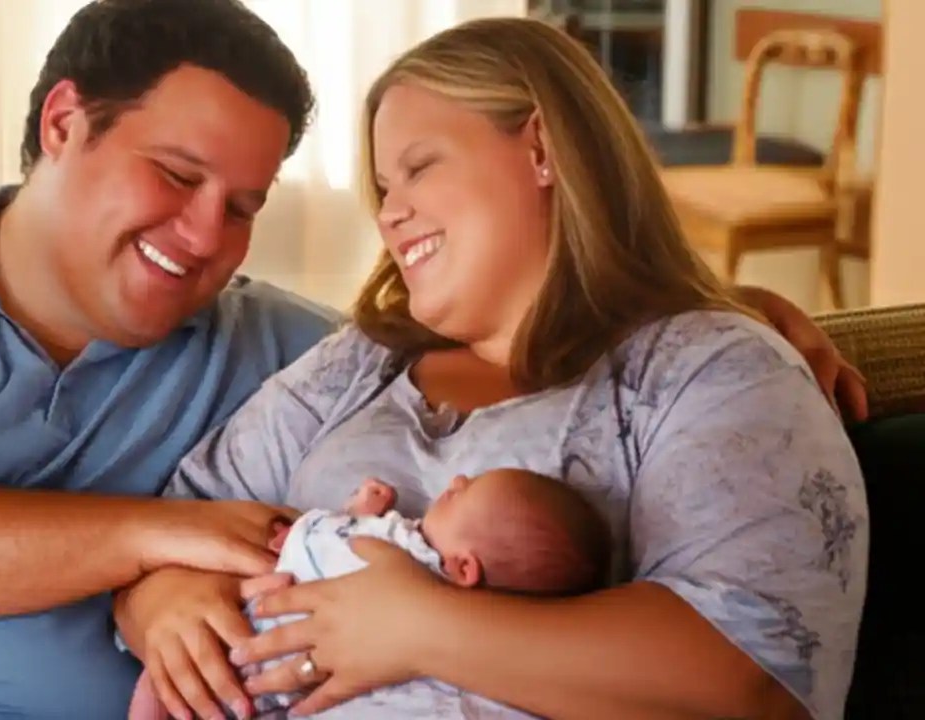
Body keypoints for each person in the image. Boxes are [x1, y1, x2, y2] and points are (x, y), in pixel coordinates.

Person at [0, 0, 863, 718]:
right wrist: (149, 548)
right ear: (62, 123)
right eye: (176, 178)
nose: (203, 239)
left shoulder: (281, 350)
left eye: (242, 204)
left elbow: (520, 327)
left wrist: (734, 306)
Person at [112, 16, 869, 720]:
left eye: (418, 168)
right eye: (383, 188)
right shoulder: (360, 362)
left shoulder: (710, 372)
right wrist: (162, 604)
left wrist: (422, 627)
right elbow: (179, 528)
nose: (389, 213)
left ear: (541, 147)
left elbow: (755, 680)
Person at [127, 470, 610, 718]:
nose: (457, 480)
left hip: (257, 651)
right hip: (241, 633)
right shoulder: (409, 543)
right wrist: (359, 509)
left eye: (466, 492)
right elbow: (347, 537)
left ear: (464, 567)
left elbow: (348, 547)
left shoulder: (411, 565)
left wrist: (344, 520)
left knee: (168, 689)